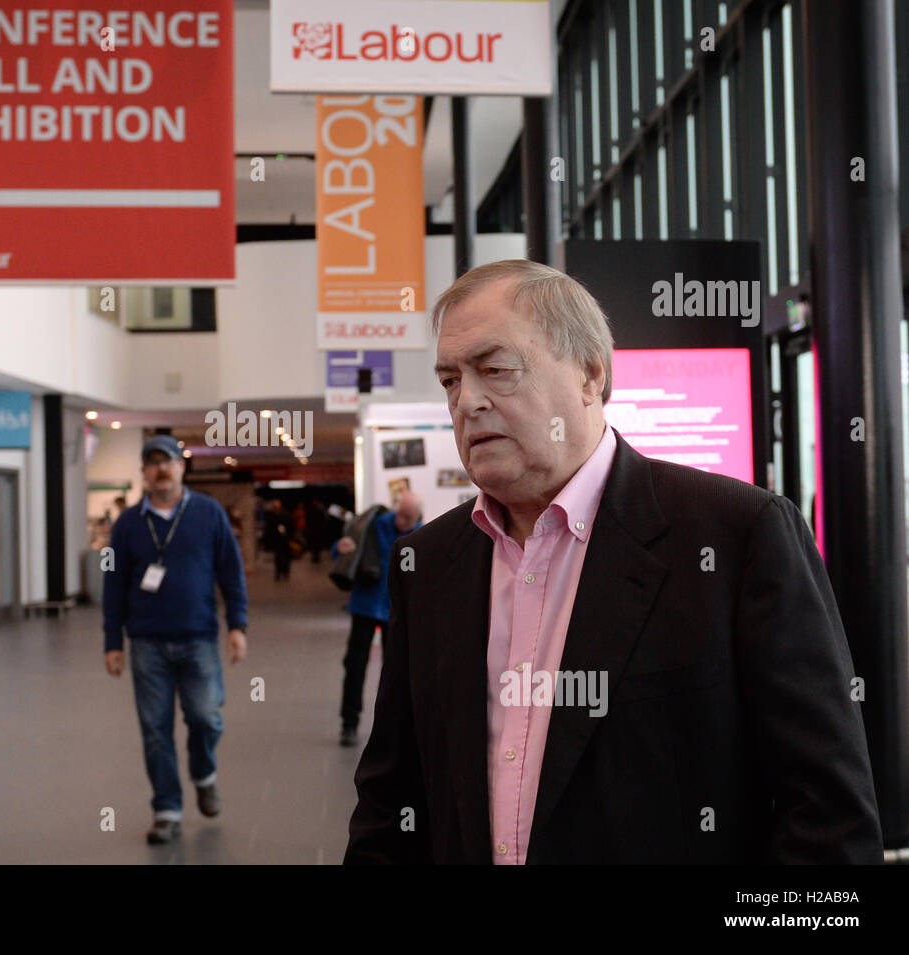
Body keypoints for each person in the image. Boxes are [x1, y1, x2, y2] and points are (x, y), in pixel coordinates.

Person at [345, 259, 882, 864]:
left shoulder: (735, 536)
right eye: (450, 381)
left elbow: (830, 819)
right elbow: (392, 799)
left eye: (495, 369)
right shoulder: (427, 563)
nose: (468, 401)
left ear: (589, 375)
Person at [103, 435, 249, 845]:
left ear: (182, 467)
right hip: (146, 642)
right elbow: (112, 585)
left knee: (206, 717)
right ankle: (166, 809)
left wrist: (237, 625)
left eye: (167, 461)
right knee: (155, 730)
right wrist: (112, 641)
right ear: (144, 473)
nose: (161, 469)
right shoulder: (128, 524)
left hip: (199, 636)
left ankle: (203, 773)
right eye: (152, 463)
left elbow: (231, 572)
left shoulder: (208, 513)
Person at [332, 493, 423, 748]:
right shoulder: (374, 524)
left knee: (395, 671)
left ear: (417, 518)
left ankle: (390, 728)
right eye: (400, 514)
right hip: (365, 606)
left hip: (397, 612)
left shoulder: (421, 536)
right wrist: (340, 548)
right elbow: (343, 546)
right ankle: (349, 723)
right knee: (355, 665)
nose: (401, 521)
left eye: (408, 518)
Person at [263, 499, 293, 581]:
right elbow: (269, 528)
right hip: (276, 540)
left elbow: (291, 526)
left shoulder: (286, 514)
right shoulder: (271, 515)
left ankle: (286, 572)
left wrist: (289, 535)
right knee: (278, 557)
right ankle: (278, 573)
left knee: (286, 557)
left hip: (285, 539)